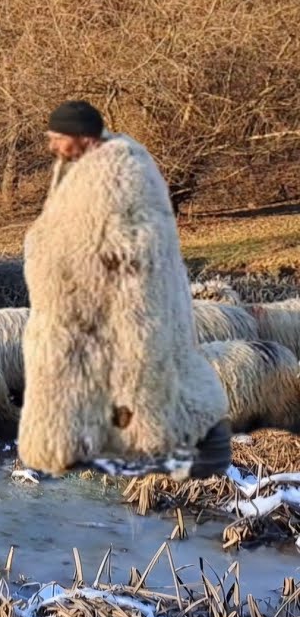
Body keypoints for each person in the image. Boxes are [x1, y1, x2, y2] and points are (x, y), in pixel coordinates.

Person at [17, 100, 232, 480]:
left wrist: (66, 262)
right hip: (89, 310)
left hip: (129, 305)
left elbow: (127, 243)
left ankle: (185, 451)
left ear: (82, 137)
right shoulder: (77, 170)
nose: (51, 146)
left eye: (57, 138)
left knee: (151, 380)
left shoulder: (120, 172)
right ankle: (86, 449)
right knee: (83, 380)